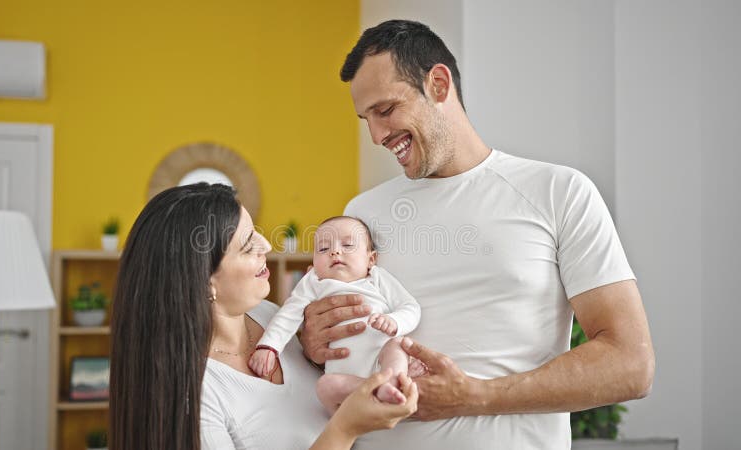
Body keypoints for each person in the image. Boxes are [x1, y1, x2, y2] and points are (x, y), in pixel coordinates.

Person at [299, 20, 655, 449]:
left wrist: (473, 396)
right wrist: (311, 342)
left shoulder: (560, 193)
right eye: (366, 119)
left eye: (385, 110)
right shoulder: (360, 217)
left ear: (438, 83)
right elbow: (335, 355)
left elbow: (630, 364)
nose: (376, 135)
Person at [109, 183, 418, 450]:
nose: (266, 246)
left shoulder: (270, 314)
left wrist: (316, 354)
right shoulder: (194, 397)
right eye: (247, 246)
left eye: (255, 231)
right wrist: (347, 427)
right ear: (204, 282)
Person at [249, 216, 421, 410]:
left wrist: (394, 321)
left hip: (381, 360)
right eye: (323, 249)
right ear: (313, 262)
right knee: (324, 385)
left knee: (398, 345)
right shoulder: (314, 282)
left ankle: (393, 383)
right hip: (344, 379)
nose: (335, 251)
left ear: (371, 259)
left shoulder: (378, 278)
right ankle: (377, 388)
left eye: (348, 245)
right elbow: (288, 315)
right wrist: (269, 346)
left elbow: (410, 307)